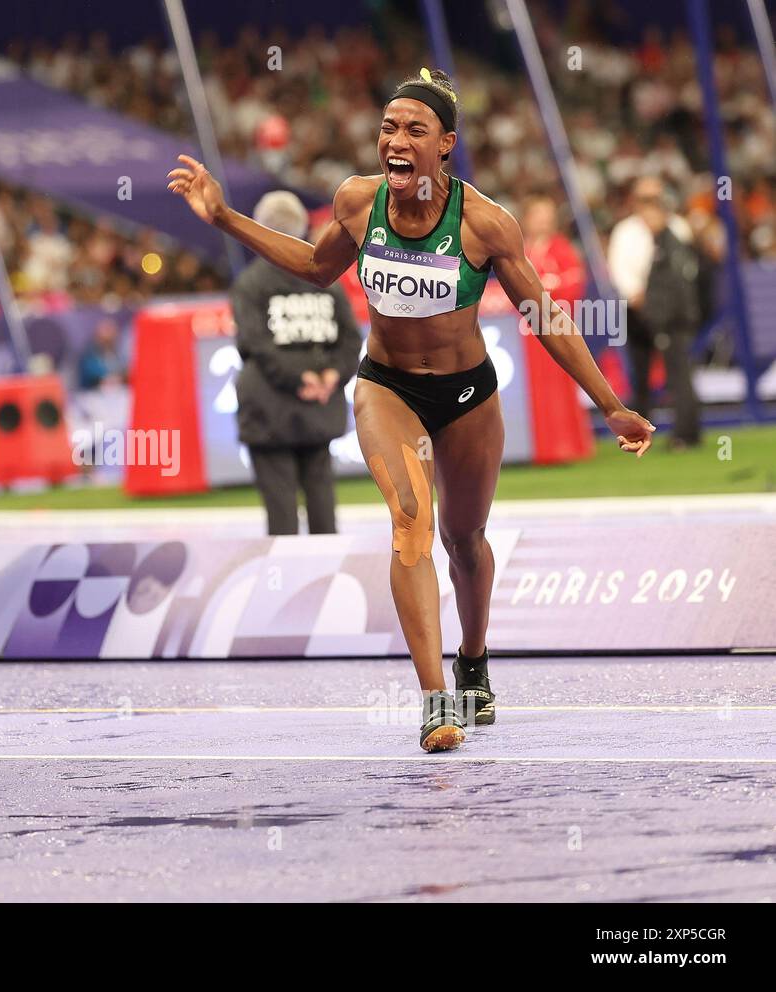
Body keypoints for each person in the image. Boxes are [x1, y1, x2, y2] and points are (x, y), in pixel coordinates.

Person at [169, 67, 656, 752]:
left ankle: (474, 661)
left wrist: (610, 405)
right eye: (388, 128)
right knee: (409, 519)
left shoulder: (486, 224)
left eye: (414, 130)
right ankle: (435, 699)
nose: (396, 141)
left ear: (446, 144)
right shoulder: (357, 202)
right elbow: (314, 266)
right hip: (386, 386)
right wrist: (224, 217)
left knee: (465, 541)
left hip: (466, 397)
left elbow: (544, 315)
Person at [231, 190, 360, 535]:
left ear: (259, 227)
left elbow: (254, 343)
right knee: (322, 504)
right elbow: (351, 339)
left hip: (270, 409)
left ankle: (283, 584)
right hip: (317, 408)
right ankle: (327, 577)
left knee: (281, 514)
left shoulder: (251, 284)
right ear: (302, 227)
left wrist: (302, 378)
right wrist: (330, 376)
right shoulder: (325, 279)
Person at [608, 176, 702, 448]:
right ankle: (639, 432)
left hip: (672, 314)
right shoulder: (625, 231)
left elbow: (686, 270)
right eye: (644, 199)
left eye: (655, 199)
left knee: (679, 373)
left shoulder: (677, 228)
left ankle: (685, 434)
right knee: (639, 375)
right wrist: (635, 295)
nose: (651, 205)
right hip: (637, 312)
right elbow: (618, 268)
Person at [78, 317, 127, 390]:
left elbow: (124, 372)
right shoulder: (89, 354)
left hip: (116, 392)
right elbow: (92, 374)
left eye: (111, 332)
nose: (108, 339)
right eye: (106, 331)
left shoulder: (117, 354)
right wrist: (113, 378)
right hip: (92, 393)